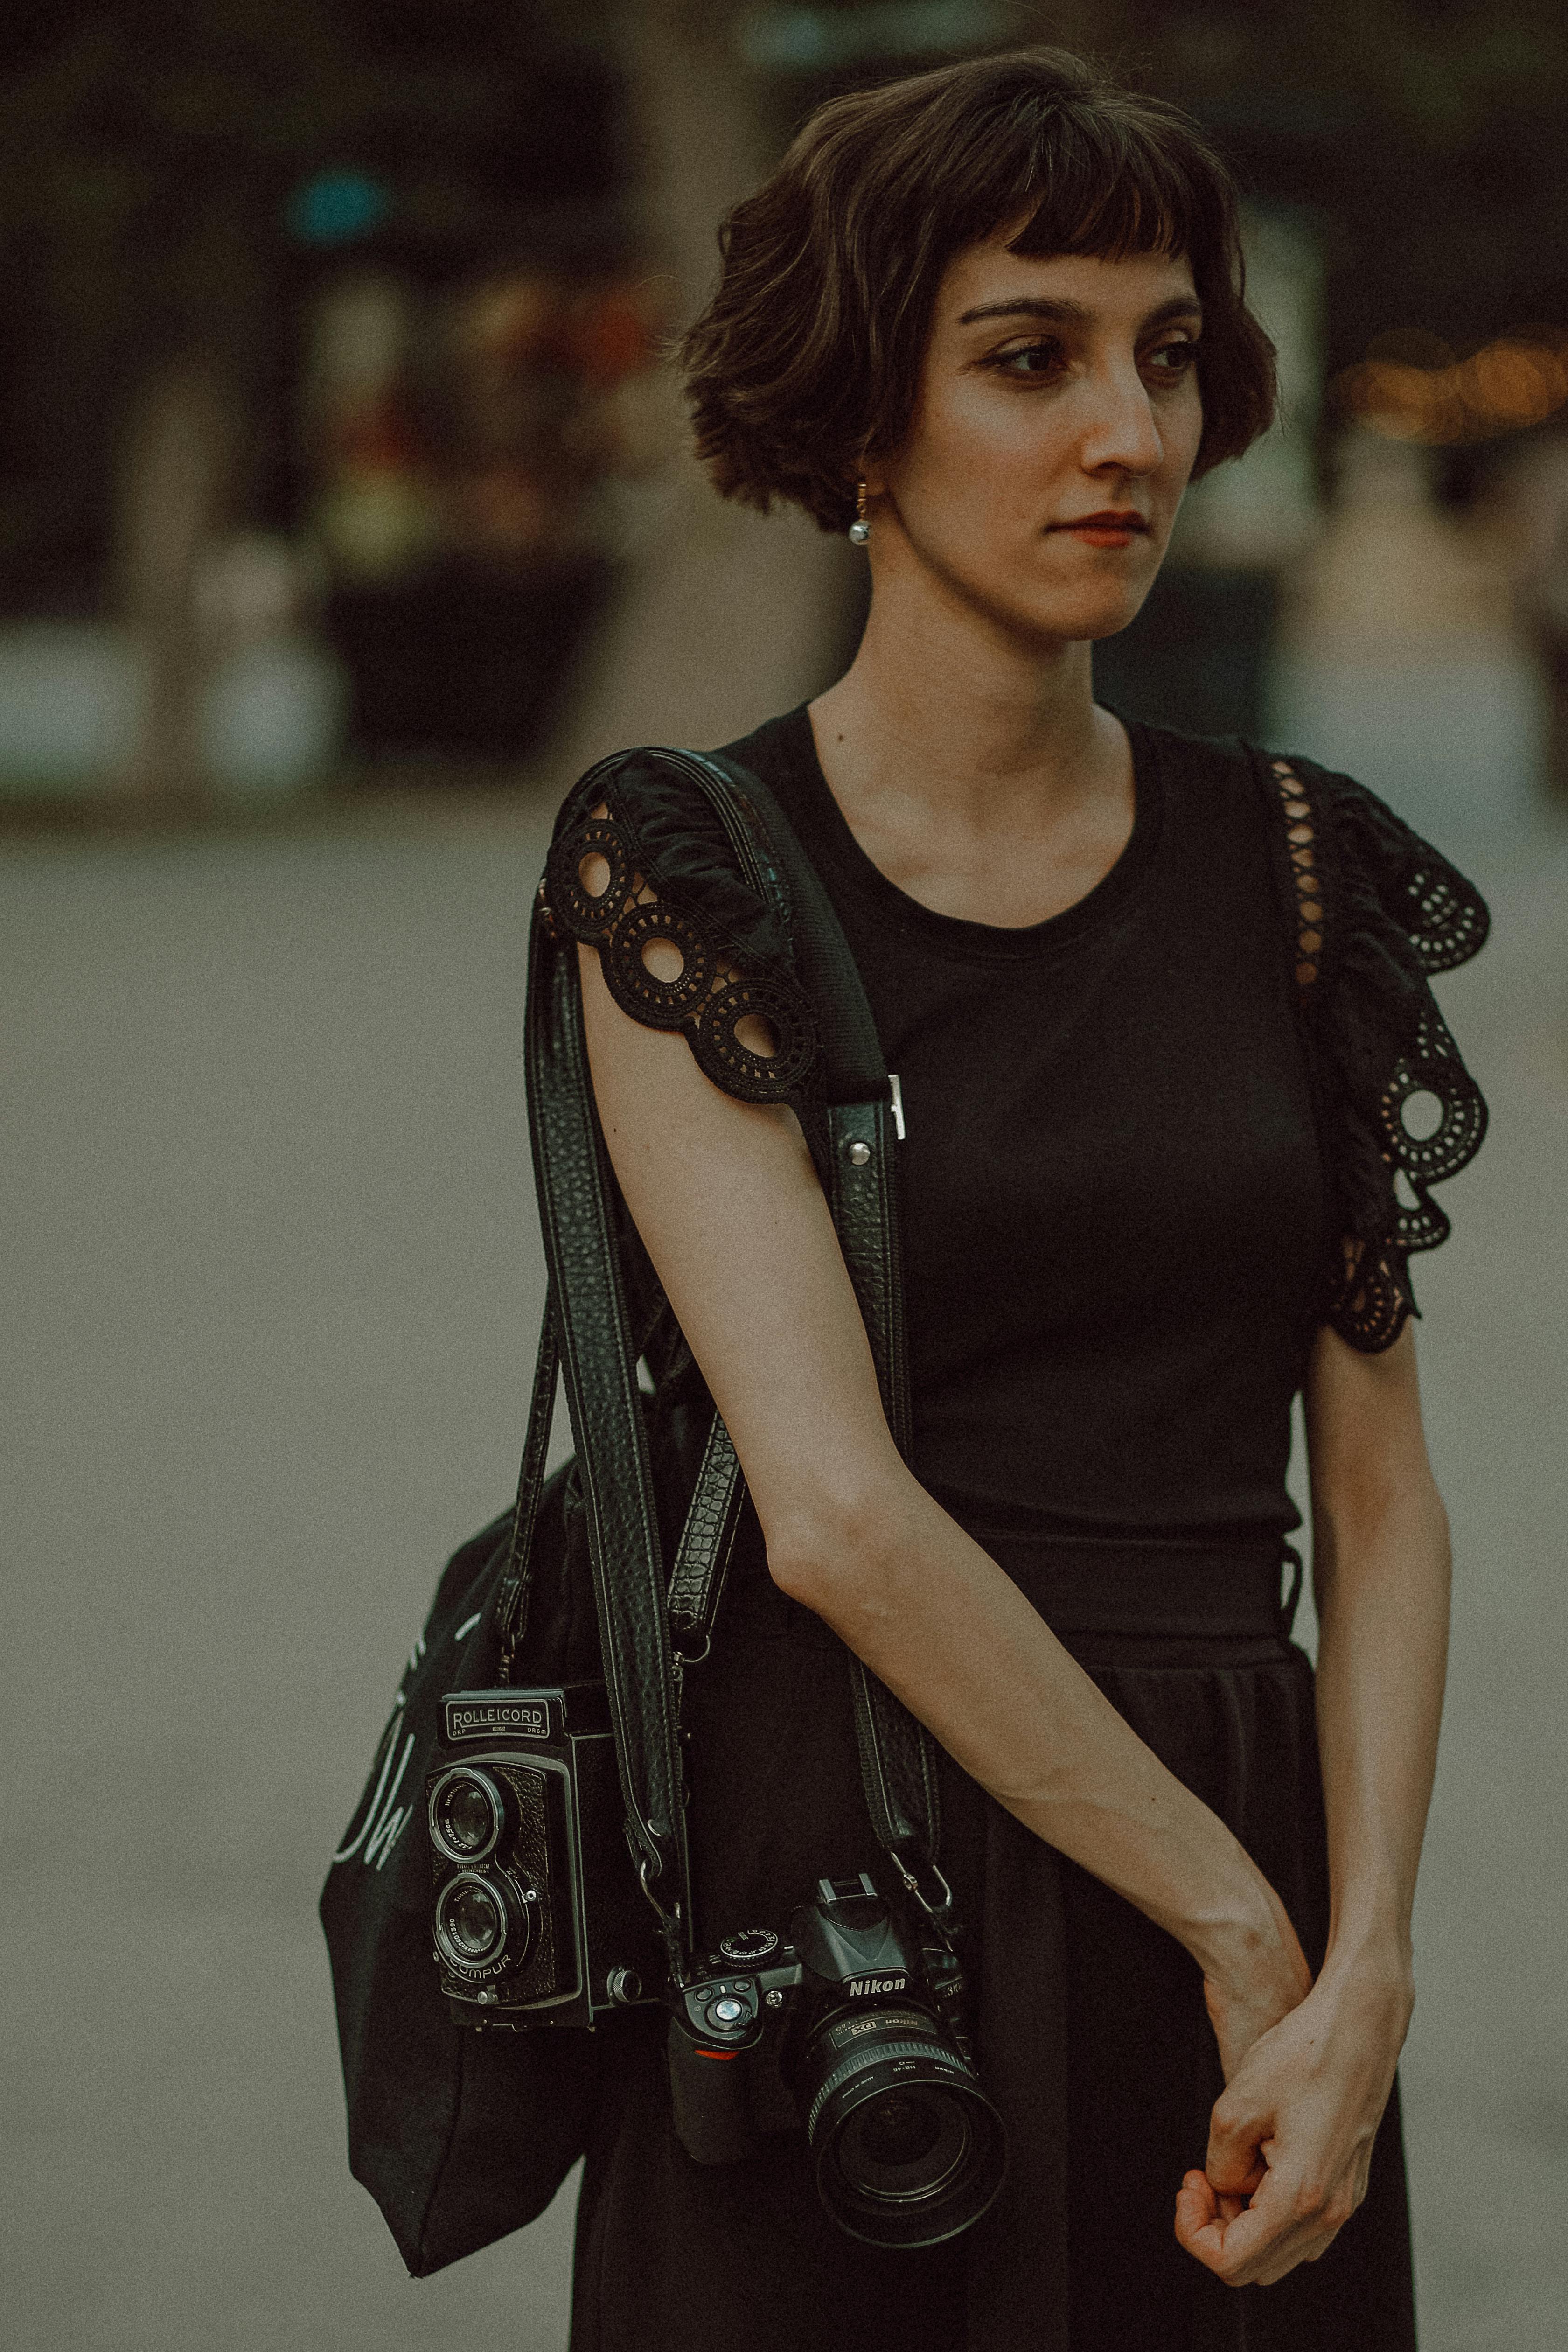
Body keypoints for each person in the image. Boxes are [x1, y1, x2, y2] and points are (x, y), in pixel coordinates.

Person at [542, 48, 1489, 2351]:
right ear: (859, 417)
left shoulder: (1294, 868)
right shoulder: (682, 873)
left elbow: (1379, 1493)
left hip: (1251, 1843)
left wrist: (1364, 1964)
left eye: (1168, 357)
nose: (1131, 433)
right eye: (1029, 358)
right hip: (863, 1866)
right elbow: (833, 1512)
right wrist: (1235, 1923)